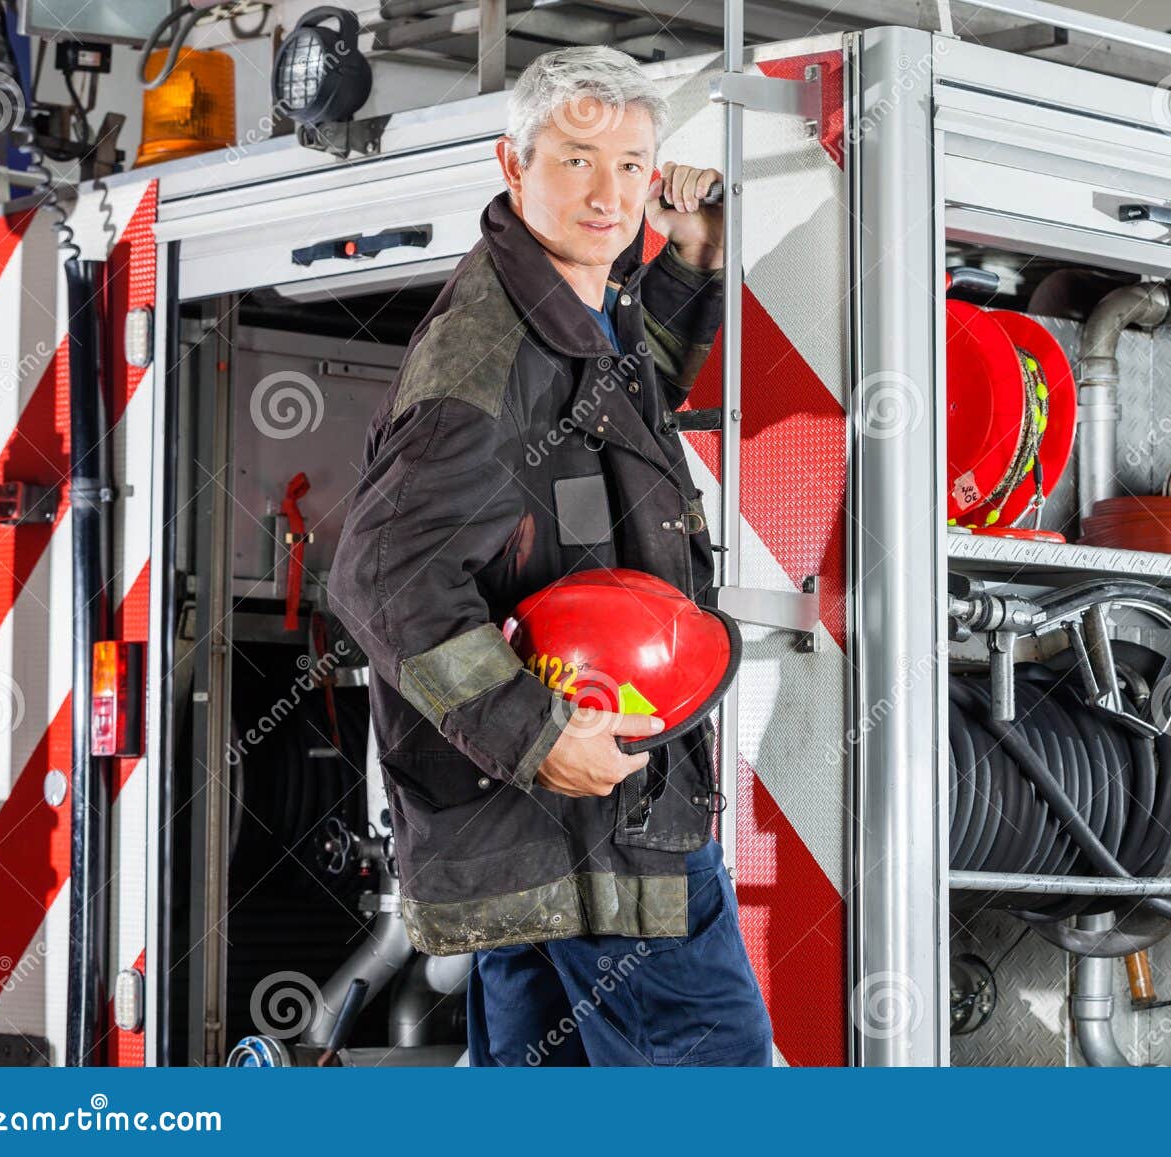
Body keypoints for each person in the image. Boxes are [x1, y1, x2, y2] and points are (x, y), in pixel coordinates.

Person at [327, 45, 772, 1066]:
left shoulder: (563, 310)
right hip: (586, 823)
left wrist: (689, 260)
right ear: (511, 162)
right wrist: (534, 735)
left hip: (550, 835)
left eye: (629, 163)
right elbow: (383, 573)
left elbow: (603, 415)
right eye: (574, 159)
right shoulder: (488, 350)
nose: (607, 192)